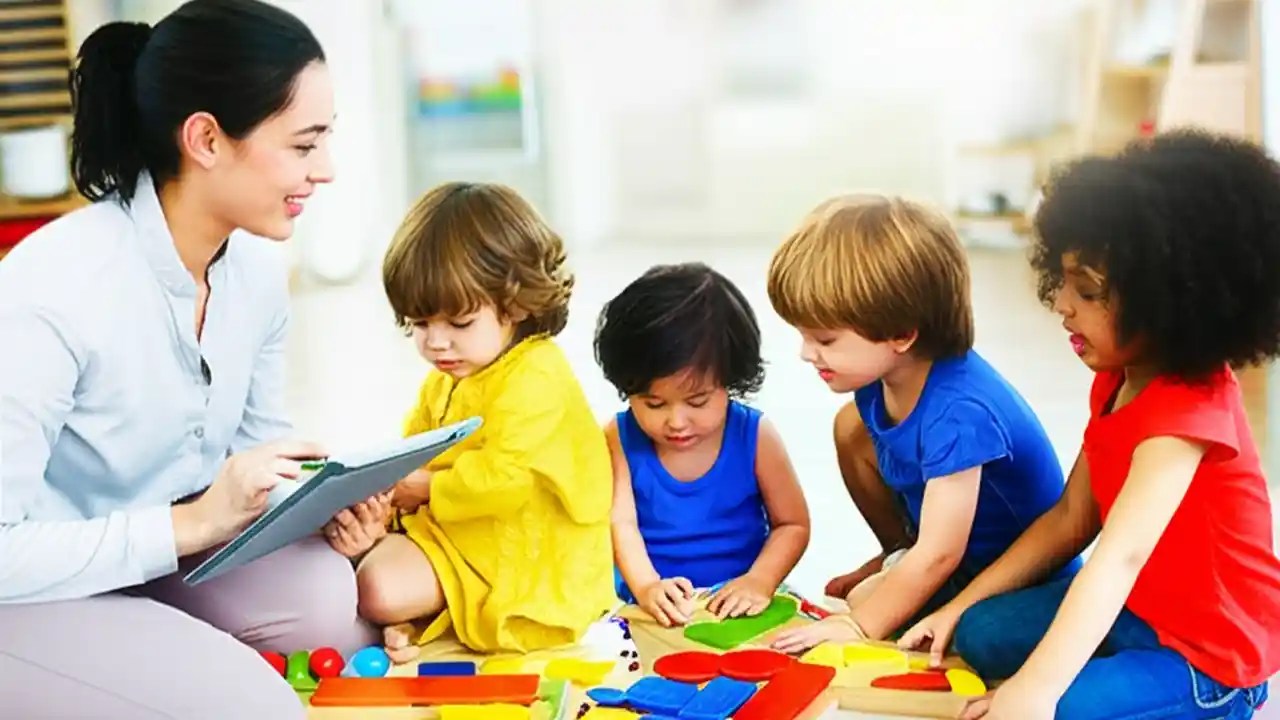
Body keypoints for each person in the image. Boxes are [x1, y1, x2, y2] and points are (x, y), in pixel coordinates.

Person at [0, 1, 380, 718]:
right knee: (256, 707)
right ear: (205, 138)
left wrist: (321, 502)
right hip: (24, 587)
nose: (324, 170)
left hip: (147, 554)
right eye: (304, 146)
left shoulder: (255, 274)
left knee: (328, 606)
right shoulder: (52, 289)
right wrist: (194, 525)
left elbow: (248, 459)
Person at [900, 130, 1280, 720]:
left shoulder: (1185, 417)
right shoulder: (1120, 376)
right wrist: (957, 606)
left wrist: (1034, 691)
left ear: (1171, 298)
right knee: (980, 632)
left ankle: (1219, 705)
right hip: (1140, 611)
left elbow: (1118, 558)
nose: (1062, 304)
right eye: (1065, 281)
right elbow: (1073, 517)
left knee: (1063, 710)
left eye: (1090, 291)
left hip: (1208, 656)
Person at [763, 194, 1078, 653]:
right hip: (953, 548)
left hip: (1022, 573)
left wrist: (859, 627)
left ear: (902, 334)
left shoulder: (960, 412)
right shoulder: (879, 376)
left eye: (824, 338)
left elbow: (942, 552)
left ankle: (910, 577)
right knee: (851, 427)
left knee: (901, 615)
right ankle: (899, 558)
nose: (807, 353)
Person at [330, 181, 616, 661]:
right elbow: (411, 455)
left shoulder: (537, 372)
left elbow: (507, 479)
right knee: (348, 564)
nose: (436, 343)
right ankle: (414, 613)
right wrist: (382, 511)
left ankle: (421, 617)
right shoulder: (445, 380)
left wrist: (417, 488)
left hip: (523, 555)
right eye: (420, 325)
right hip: (457, 534)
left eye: (458, 324)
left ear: (518, 304)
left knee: (375, 587)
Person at [593, 263, 810, 627]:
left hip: (740, 601)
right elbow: (621, 524)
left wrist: (759, 581)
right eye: (653, 403)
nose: (676, 422)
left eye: (697, 402)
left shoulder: (755, 436)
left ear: (730, 381)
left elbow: (792, 524)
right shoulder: (618, 436)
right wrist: (647, 587)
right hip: (649, 604)